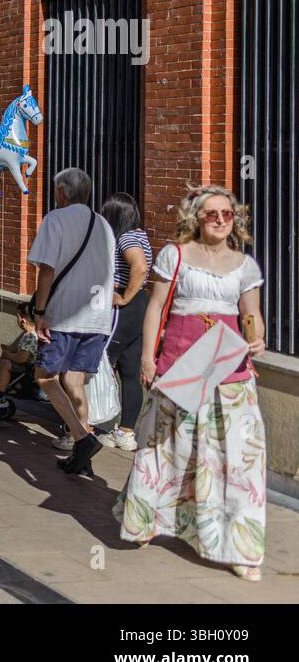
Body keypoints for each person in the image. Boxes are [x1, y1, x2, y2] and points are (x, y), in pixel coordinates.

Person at [114, 186, 267, 581]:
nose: (220, 219)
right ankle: (146, 521)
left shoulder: (245, 266)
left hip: (230, 371)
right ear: (196, 218)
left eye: (227, 214)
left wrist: (257, 336)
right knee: (163, 448)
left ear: (236, 219)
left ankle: (241, 548)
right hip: (180, 368)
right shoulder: (174, 255)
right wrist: (148, 357)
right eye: (211, 213)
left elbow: (250, 314)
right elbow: (157, 307)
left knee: (238, 458)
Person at [26, 168, 115, 476]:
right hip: (99, 316)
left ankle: (82, 436)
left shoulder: (55, 219)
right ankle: (82, 453)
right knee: (75, 381)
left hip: (64, 314)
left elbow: (47, 269)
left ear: (62, 192)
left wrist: (40, 313)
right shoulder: (102, 224)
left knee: (45, 377)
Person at [98, 191, 151, 452]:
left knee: (96, 363)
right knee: (130, 371)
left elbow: (139, 267)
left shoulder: (126, 237)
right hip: (140, 306)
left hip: (125, 308)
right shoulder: (140, 234)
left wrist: (123, 297)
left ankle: (79, 430)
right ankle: (126, 433)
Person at [0, 301, 39, 410]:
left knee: (5, 364)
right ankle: (0, 386)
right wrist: (11, 349)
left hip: (26, 367)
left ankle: (0, 394)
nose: (16, 320)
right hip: (28, 365)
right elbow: (26, 350)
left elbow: (22, 358)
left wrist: (8, 355)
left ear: (23, 321)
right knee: (6, 361)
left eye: (17, 317)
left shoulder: (29, 337)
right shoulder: (33, 334)